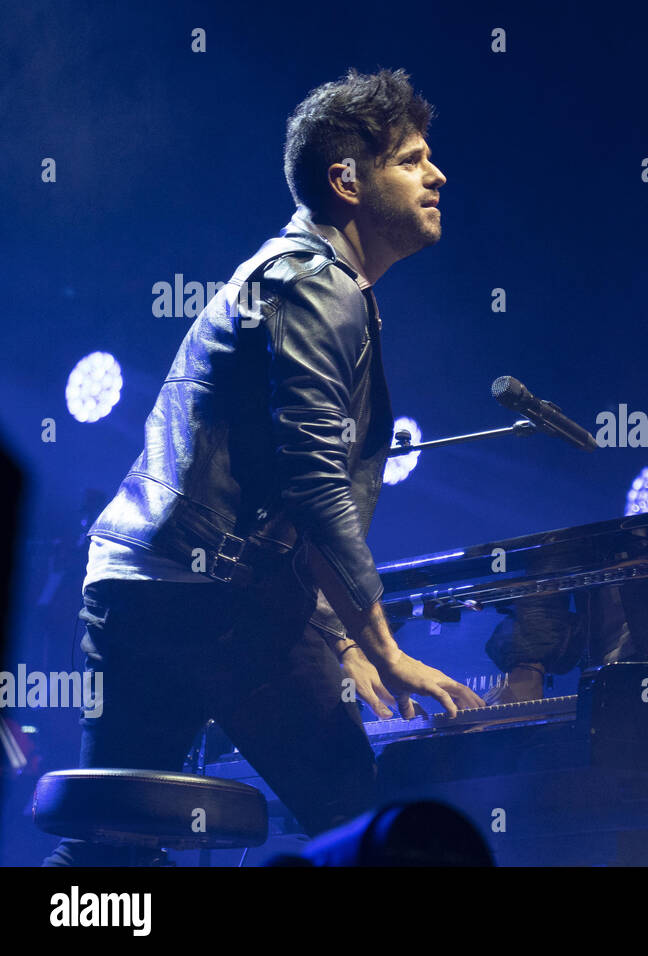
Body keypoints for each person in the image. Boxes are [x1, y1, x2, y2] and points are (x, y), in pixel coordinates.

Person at [43, 68, 483, 865]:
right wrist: (381, 644)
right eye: (413, 159)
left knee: (108, 850)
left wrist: (335, 636)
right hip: (218, 610)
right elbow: (314, 480)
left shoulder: (308, 277)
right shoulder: (318, 285)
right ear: (347, 180)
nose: (437, 174)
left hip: (146, 590)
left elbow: (271, 486)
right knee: (366, 829)